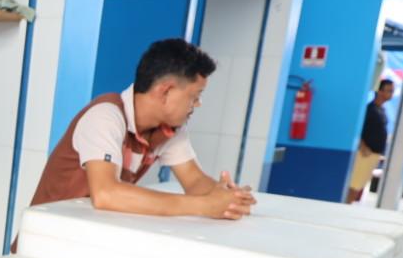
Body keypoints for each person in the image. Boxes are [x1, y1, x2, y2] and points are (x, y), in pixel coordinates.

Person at [27, 37, 255, 219]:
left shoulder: (168, 130)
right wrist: (204, 205)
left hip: (89, 236)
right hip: (46, 237)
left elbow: (194, 181)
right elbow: (106, 194)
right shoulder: (105, 116)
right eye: (194, 96)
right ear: (165, 91)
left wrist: (229, 198)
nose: (197, 104)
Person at [347, 78, 394, 203]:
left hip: (374, 154)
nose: (391, 94)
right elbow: (358, 129)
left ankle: (349, 205)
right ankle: (345, 205)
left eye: (392, 91)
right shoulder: (369, 109)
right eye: (389, 90)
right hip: (364, 154)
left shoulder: (382, 110)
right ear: (379, 91)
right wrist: (363, 147)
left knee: (360, 184)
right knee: (354, 184)